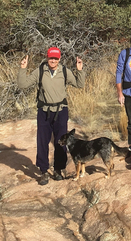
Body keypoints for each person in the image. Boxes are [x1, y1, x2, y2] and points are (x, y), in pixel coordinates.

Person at [18, 47, 85, 185]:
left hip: (61, 110)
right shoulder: (40, 71)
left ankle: (58, 170)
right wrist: (23, 69)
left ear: (59, 59)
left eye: (55, 58)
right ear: (47, 58)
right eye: (50, 58)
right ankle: (43, 171)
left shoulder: (65, 71)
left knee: (61, 141)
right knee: (42, 141)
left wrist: (79, 70)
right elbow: (23, 84)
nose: (53, 60)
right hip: (44, 111)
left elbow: (80, 84)